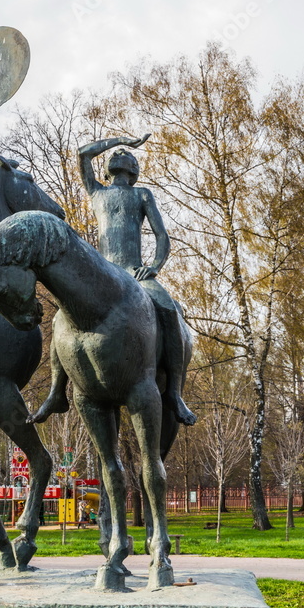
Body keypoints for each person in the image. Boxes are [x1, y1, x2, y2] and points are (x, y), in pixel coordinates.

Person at [75, 135, 197, 426]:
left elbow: (162, 236)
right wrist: (123, 139)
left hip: (134, 273)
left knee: (168, 308)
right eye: (116, 154)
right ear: (108, 167)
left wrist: (154, 266)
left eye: (126, 154)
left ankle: (175, 394)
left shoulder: (141, 194)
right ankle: (57, 390)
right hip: (102, 276)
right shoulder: (97, 192)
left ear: (134, 169)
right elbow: (82, 154)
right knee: (63, 318)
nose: (119, 154)